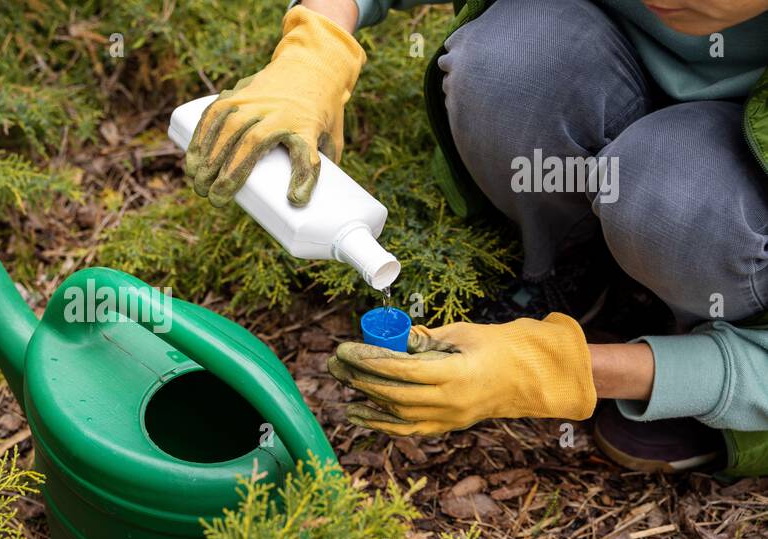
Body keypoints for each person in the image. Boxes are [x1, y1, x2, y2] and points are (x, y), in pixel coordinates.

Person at [184, 0, 768, 475]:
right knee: (506, 64)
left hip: (720, 196)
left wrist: (559, 373)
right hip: (607, 64)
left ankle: (693, 355)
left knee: (675, 195)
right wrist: (315, 49)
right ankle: (567, 264)